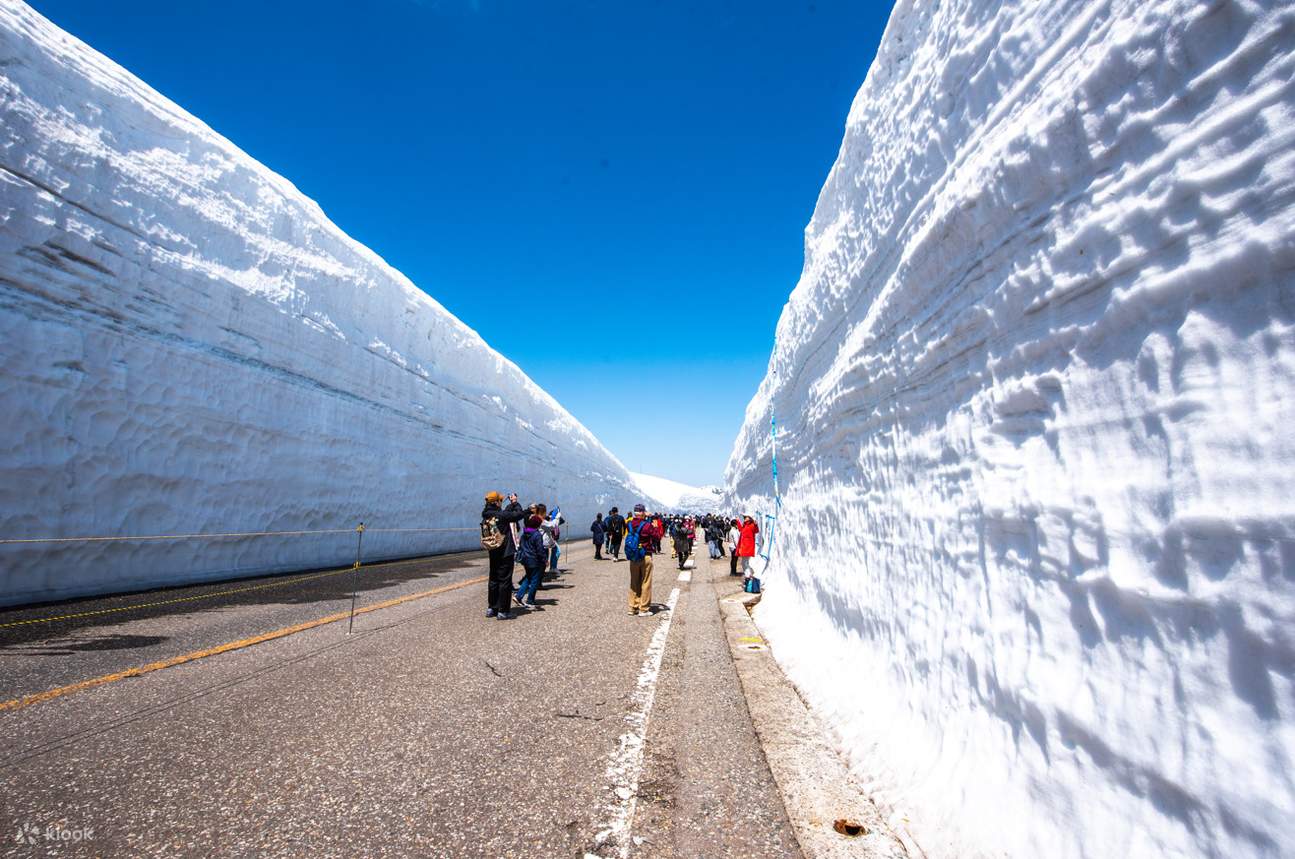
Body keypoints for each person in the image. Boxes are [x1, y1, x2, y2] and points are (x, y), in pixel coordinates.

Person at [481, 491, 527, 619]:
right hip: (505, 551)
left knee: (493, 579)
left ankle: (492, 608)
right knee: (505, 580)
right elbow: (518, 514)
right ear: (496, 502)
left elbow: (506, 513)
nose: (501, 502)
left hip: (493, 550)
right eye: (500, 500)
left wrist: (510, 505)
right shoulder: (501, 515)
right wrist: (515, 502)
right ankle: (503, 611)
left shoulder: (486, 515)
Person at [625, 503, 664, 616]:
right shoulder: (647, 525)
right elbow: (657, 536)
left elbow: (637, 525)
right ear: (642, 512)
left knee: (634, 582)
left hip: (633, 557)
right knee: (645, 582)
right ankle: (644, 608)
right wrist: (653, 521)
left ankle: (633, 607)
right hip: (645, 555)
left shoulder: (629, 524)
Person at [514, 514, 547, 607]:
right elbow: (540, 549)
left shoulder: (524, 533)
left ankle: (518, 596)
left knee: (528, 578)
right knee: (535, 581)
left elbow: (521, 546)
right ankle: (530, 600)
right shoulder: (537, 535)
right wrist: (544, 560)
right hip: (534, 560)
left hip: (525, 559)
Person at [737, 514, 760, 583]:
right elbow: (740, 529)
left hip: (748, 547)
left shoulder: (752, 525)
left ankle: (748, 577)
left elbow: (756, 531)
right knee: (744, 563)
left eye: (746, 517)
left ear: (749, 518)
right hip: (744, 547)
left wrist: (756, 525)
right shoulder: (745, 525)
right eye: (744, 517)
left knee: (744, 563)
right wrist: (738, 521)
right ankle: (748, 576)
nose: (744, 518)